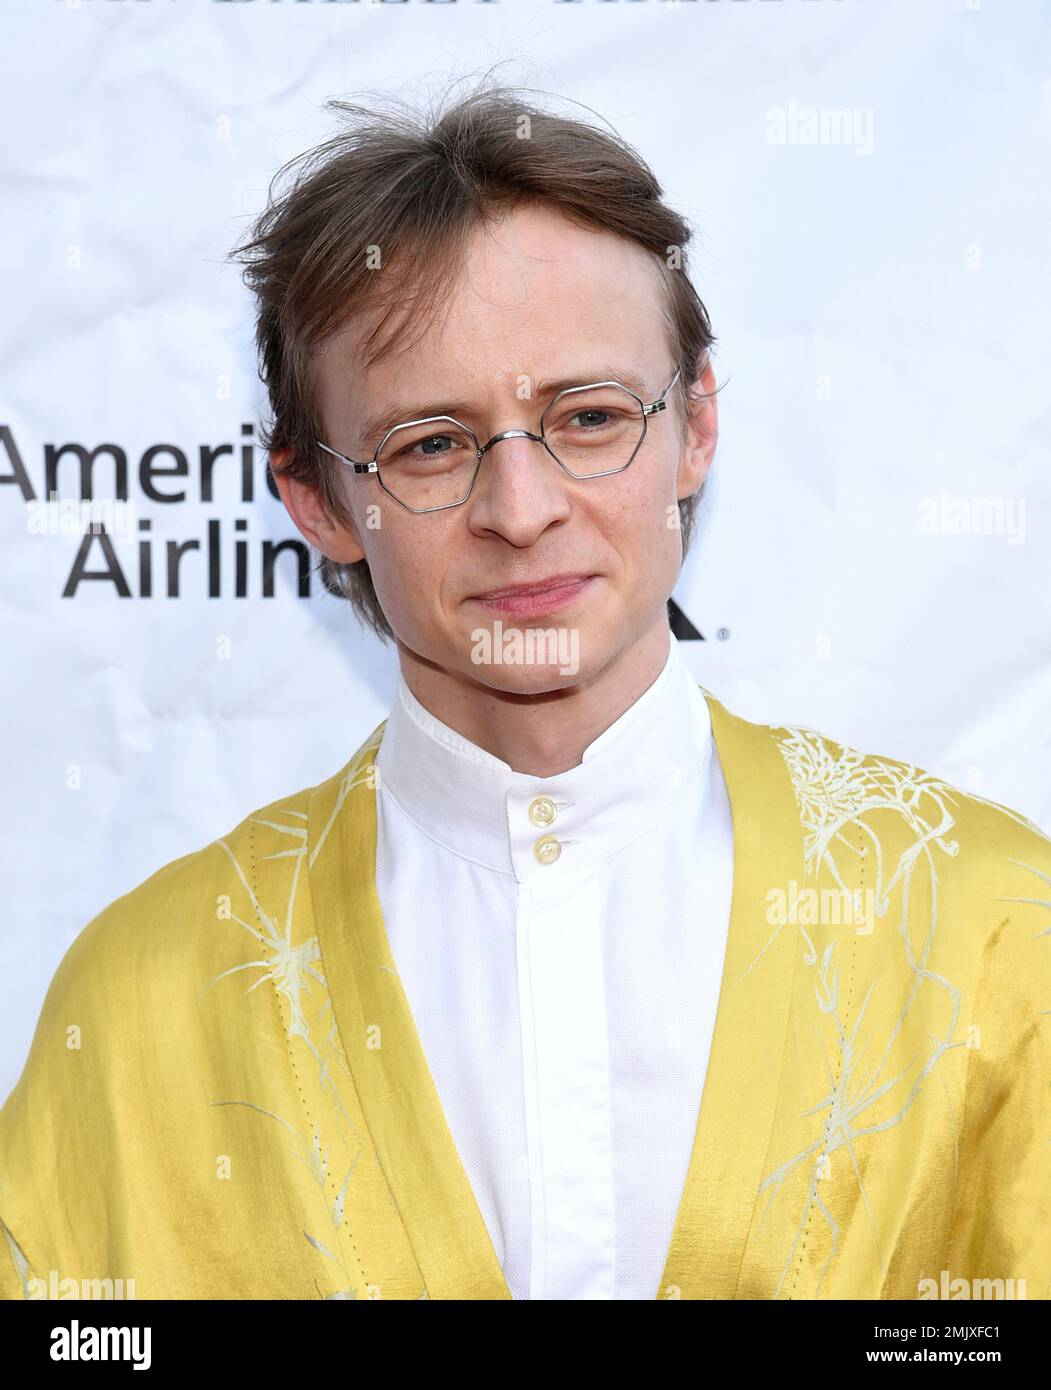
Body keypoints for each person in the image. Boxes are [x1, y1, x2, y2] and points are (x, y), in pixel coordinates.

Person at [2, 84, 1048, 1303]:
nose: (522, 509)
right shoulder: (143, 1002)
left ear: (695, 427)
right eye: (432, 444)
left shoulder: (988, 931)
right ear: (317, 500)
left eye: (590, 418)